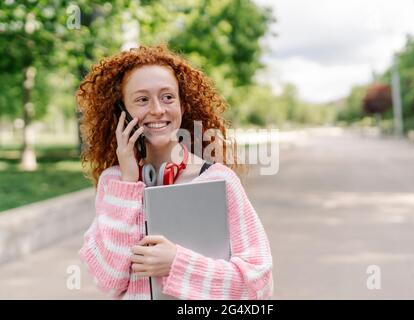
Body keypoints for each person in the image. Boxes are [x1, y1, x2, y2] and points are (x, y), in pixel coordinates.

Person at [76, 44, 273, 300]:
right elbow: (109, 281)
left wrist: (177, 264)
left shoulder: (218, 180)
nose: (157, 109)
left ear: (183, 105)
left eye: (168, 97)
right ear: (122, 112)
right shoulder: (113, 182)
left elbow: (259, 285)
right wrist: (127, 180)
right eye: (142, 99)